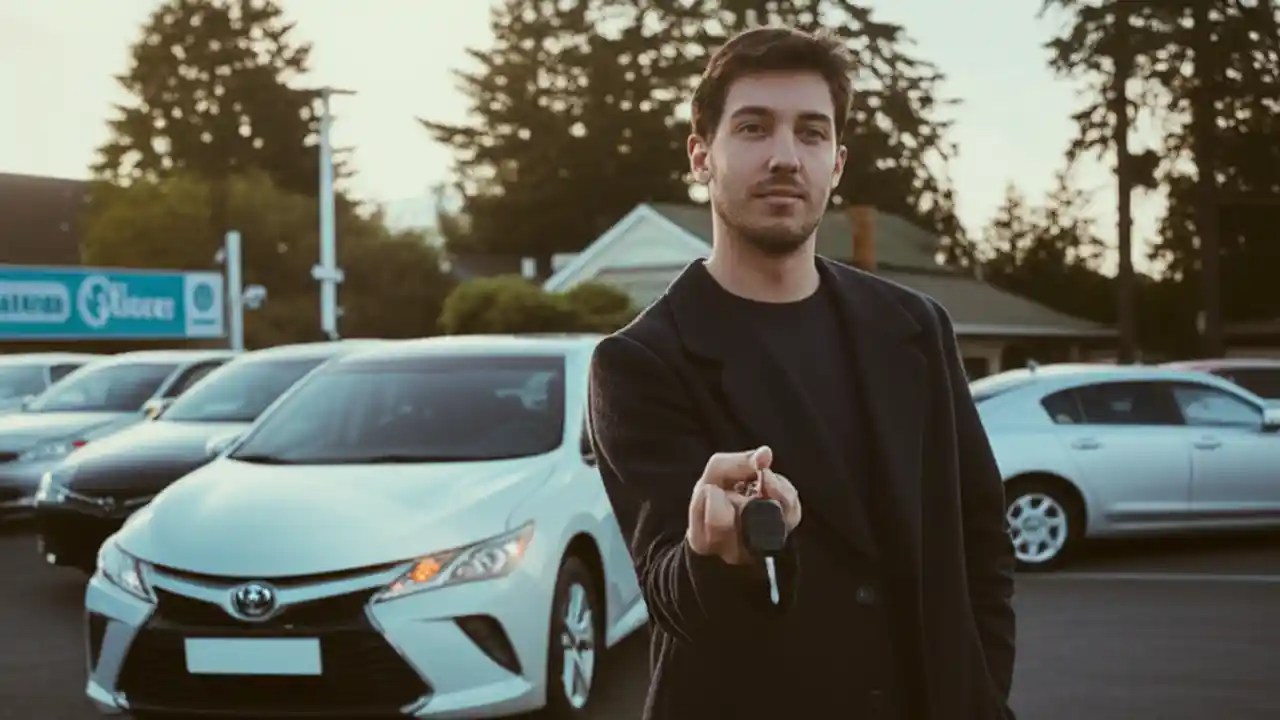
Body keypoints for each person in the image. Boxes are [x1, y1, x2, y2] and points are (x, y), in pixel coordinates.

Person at [586, 25, 1017, 720]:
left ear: (837, 163)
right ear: (702, 156)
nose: (786, 156)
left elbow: (980, 535)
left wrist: (984, 690)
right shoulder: (641, 362)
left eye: (811, 133)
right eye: (754, 128)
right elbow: (668, 592)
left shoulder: (914, 326)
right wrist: (714, 553)